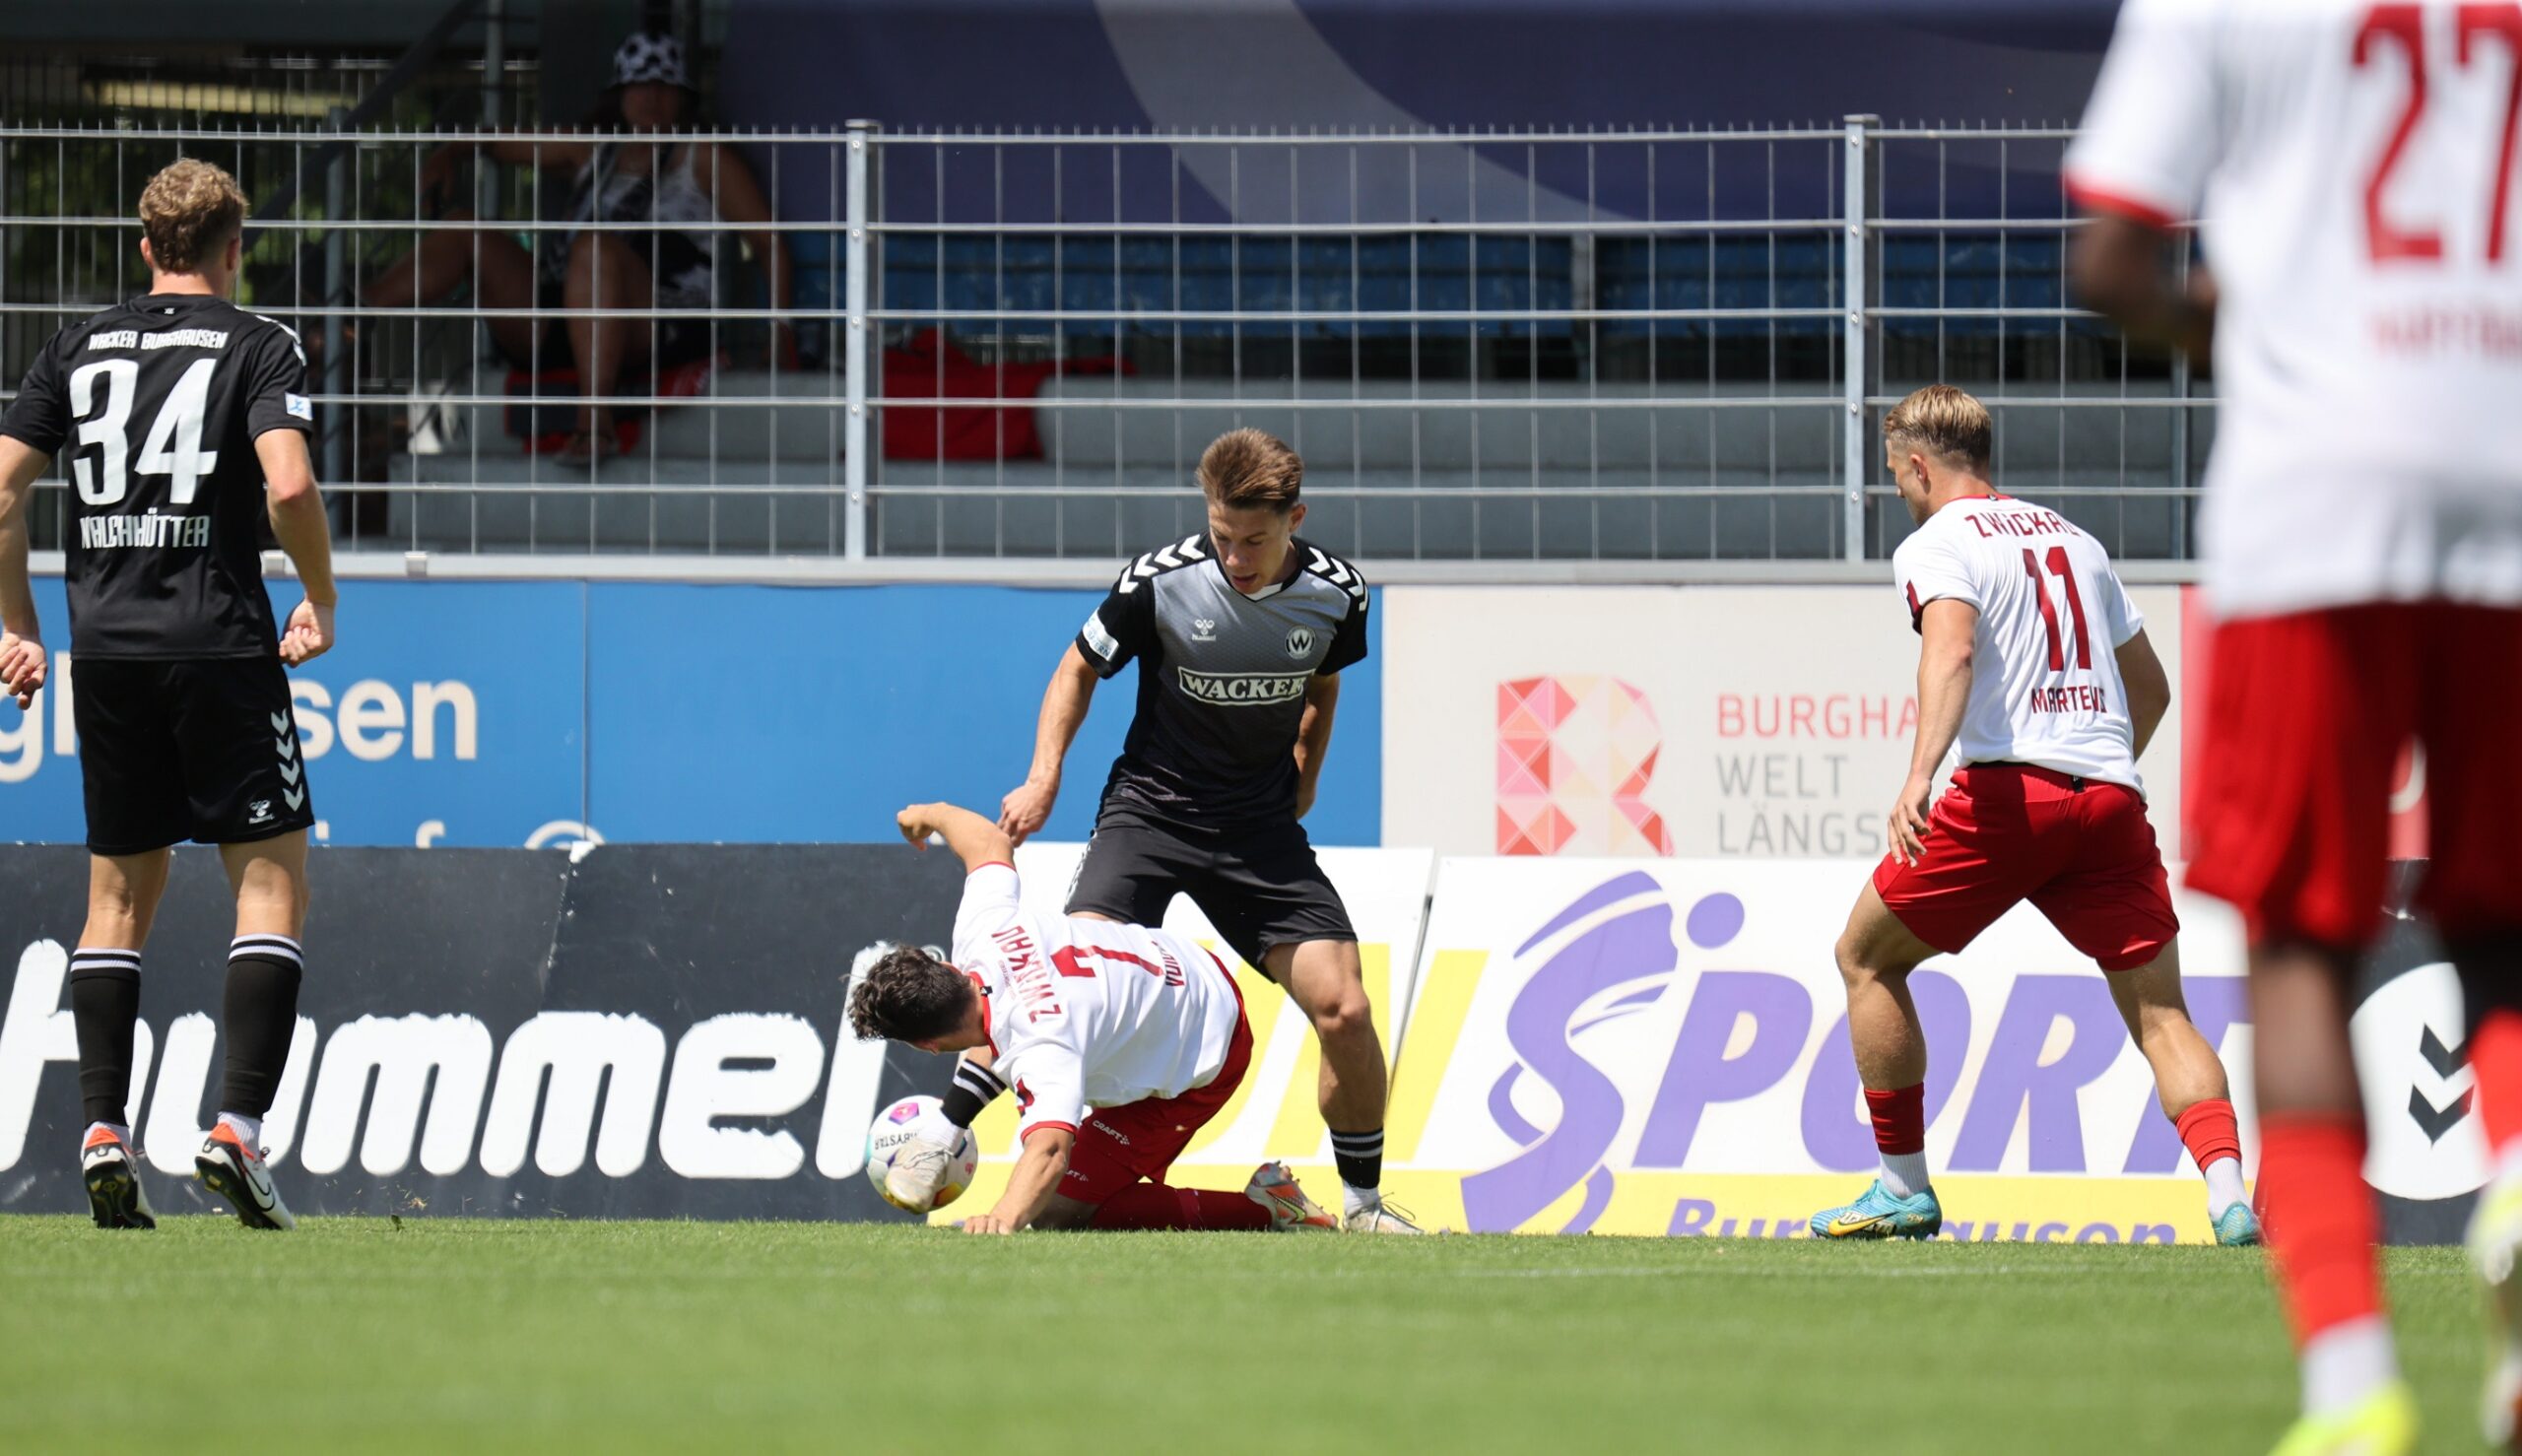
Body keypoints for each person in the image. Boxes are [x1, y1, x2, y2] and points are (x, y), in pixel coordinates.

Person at [2068, 3, 2522, 1451]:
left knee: (2302, 943)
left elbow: (2113, 259)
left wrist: (2249, 333)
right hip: (2508, 473)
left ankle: (2351, 1384)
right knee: (2506, 924)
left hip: (2310, 492)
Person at [880, 429, 1421, 1233]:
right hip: (1151, 815)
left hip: (1259, 830)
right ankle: (960, 1125)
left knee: (1343, 1009)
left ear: (1295, 520)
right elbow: (1076, 668)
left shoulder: (1341, 593)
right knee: (1057, 984)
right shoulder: (1159, 581)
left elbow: (1323, 683)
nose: (1235, 556)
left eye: (1255, 541)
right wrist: (1043, 776)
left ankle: (1365, 1206)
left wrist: (1304, 773)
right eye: (1223, 536)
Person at [1808, 386, 2257, 1249]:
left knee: (1864, 958)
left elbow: (1954, 647)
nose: (1901, 490)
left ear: (1914, 465)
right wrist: (2099, 765)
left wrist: (1918, 774)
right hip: (2111, 799)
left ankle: (1902, 1188)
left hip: (2008, 801)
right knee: (2164, 1015)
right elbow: (2152, 689)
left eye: (1898, 477)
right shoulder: (2077, 540)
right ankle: (2230, 1197)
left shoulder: (1935, 541)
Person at [0, 158, 339, 1232]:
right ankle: (236, 1131)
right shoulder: (257, 343)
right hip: (220, 641)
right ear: (236, 248)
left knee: (114, 901)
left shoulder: (76, 344)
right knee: (271, 880)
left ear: (146, 248)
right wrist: (321, 598)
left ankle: (103, 1130)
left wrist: (17, 624)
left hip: (107, 651)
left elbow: (2, 487)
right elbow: (286, 483)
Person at [851, 801, 1340, 1234]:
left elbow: (1049, 1152)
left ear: (926, 1046)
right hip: (1183, 968)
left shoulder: (1043, 1047)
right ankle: (941, 1133)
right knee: (992, 1010)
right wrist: (927, 815)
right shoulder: (985, 930)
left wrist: (1001, 1218)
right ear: (947, 966)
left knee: (1055, 1212)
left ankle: (1271, 1207)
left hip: (1205, 1050)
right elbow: (988, 840)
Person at [363, 32, 794, 457]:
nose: (650, 97)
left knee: (594, 248)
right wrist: (450, 153)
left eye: (663, 86)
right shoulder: (595, 150)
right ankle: (352, 316)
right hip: (569, 317)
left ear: (683, 97)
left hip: (660, 323)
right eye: (639, 85)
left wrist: (780, 331)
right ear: (620, 95)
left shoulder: (704, 157)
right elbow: (502, 142)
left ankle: (594, 422)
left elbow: (768, 242)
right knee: (462, 228)